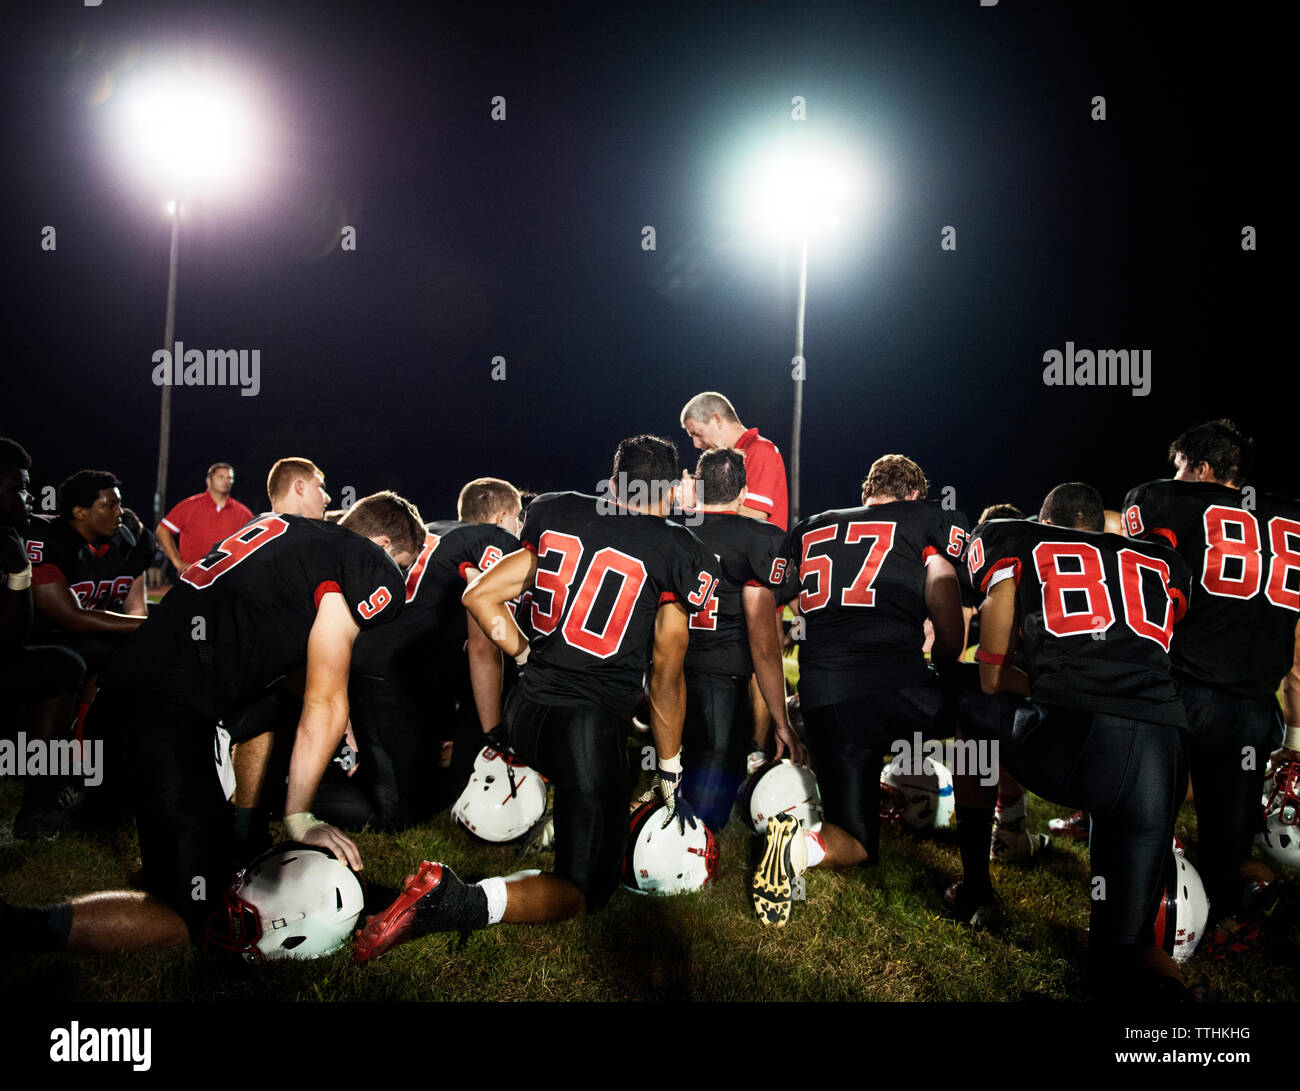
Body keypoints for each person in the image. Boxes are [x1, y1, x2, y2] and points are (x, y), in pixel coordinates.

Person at [0, 492, 422, 954]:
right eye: (401, 563)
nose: (397, 574)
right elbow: (323, 702)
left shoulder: (283, 529)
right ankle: (18, 930)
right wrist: (300, 818)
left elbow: (292, 674)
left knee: (216, 846)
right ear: (381, 544)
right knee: (200, 916)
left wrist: (338, 718)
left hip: (119, 701)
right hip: (166, 717)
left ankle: (228, 836)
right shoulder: (366, 562)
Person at [352, 435, 720, 961]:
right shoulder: (680, 549)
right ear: (667, 493)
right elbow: (665, 677)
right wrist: (669, 767)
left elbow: (479, 595)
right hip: (589, 731)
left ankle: (557, 819)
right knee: (585, 891)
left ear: (614, 483)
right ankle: (455, 901)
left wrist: (525, 657)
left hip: (525, 713)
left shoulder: (557, 510)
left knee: (588, 784)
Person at [969, 482, 1191, 996]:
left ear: (1045, 521)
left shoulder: (1016, 538)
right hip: (1161, 750)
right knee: (1125, 948)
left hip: (1079, 742)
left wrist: (1020, 677)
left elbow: (993, 667)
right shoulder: (1159, 561)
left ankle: (983, 872)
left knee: (970, 704)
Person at [757, 454, 967, 926]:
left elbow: (763, 605)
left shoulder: (812, 527)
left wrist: (782, 712)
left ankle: (800, 848)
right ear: (915, 496)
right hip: (901, 691)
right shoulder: (926, 521)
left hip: (826, 701)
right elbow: (949, 623)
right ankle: (995, 847)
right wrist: (943, 665)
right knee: (987, 711)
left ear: (866, 493)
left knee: (855, 840)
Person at [1123, 419, 1300, 925]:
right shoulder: (1289, 519)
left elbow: (1142, 592)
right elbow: (1298, 640)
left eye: (1180, 468)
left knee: (1147, 816)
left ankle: (1146, 919)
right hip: (1253, 706)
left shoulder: (1168, 501)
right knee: (1230, 833)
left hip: (1184, 691)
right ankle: (1228, 910)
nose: (1173, 477)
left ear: (1200, 468)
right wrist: (1297, 729)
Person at [348, 477, 524, 827]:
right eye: (518, 518)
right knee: (400, 814)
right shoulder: (492, 542)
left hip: (367, 665)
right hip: (397, 677)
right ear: (503, 517)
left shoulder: (431, 529)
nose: (519, 527)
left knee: (392, 784)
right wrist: (494, 736)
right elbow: (482, 645)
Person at [677, 448, 805, 833]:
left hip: (665, 669)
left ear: (696, 488)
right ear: (745, 493)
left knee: (676, 759)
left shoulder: (674, 530)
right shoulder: (760, 539)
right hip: (720, 677)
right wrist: (781, 722)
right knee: (715, 780)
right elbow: (765, 644)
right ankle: (692, 842)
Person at [0, 439, 85, 839]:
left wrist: (19, 574)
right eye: (20, 487)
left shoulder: (11, 540)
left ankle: (40, 804)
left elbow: (13, 638)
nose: (29, 496)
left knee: (61, 665)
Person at [680, 391, 788, 531]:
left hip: (758, 552)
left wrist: (696, 503)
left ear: (717, 420)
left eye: (697, 434)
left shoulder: (760, 450)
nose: (696, 443)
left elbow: (754, 518)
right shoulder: (724, 460)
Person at [155, 462, 255, 574]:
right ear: (208, 480)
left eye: (229, 478)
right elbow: (162, 530)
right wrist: (176, 561)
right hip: (193, 576)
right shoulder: (189, 506)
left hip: (227, 578)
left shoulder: (243, 513)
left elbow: (254, 543)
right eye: (221, 476)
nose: (226, 481)